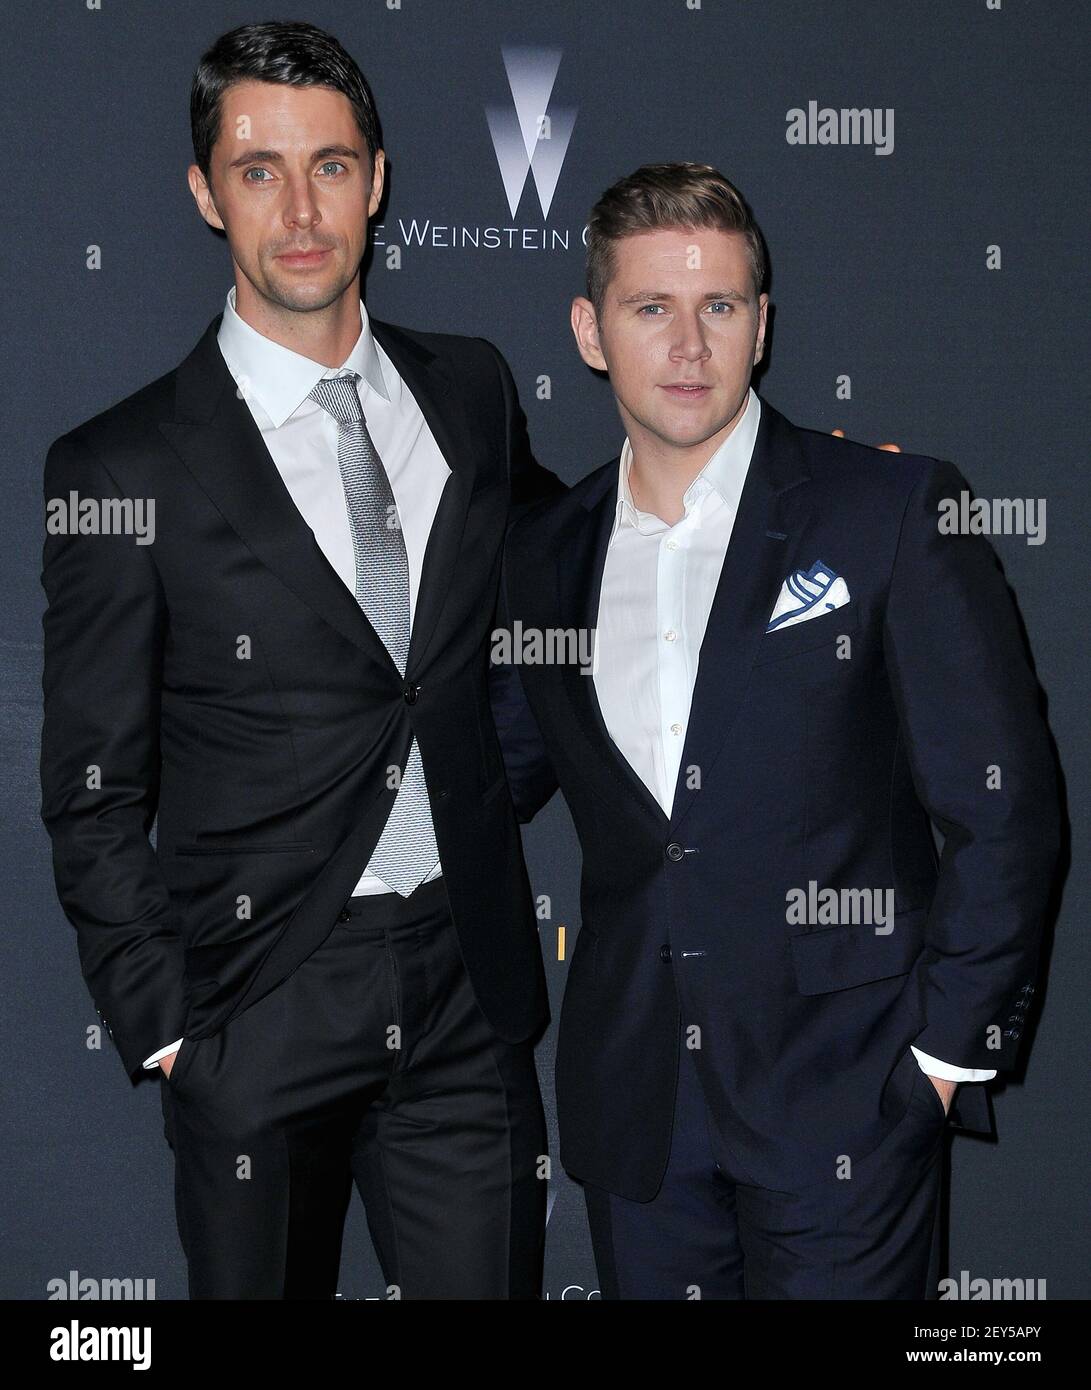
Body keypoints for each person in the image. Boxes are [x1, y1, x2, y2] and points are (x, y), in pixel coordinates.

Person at [40, 20, 561, 1300]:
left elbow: (568, 561)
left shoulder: (470, 389)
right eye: (258, 168)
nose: (300, 206)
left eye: (329, 164)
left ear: (377, 180)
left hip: (462, 983)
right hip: (255, 997)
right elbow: (93, 788)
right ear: (205, 194)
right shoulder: (120, 468)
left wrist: (759, 477)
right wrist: (170, 1030)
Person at [490, 162, 1060, 1299]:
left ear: (761, 324)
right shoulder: (540, 555)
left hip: (848, 1106)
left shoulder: (886, 510)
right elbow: (483, 781)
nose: (688, 344)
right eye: (651, 307)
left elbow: (1003, 808)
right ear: (589, 331)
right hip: (638, 1117)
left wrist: (943, 1060)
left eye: (720, 306)